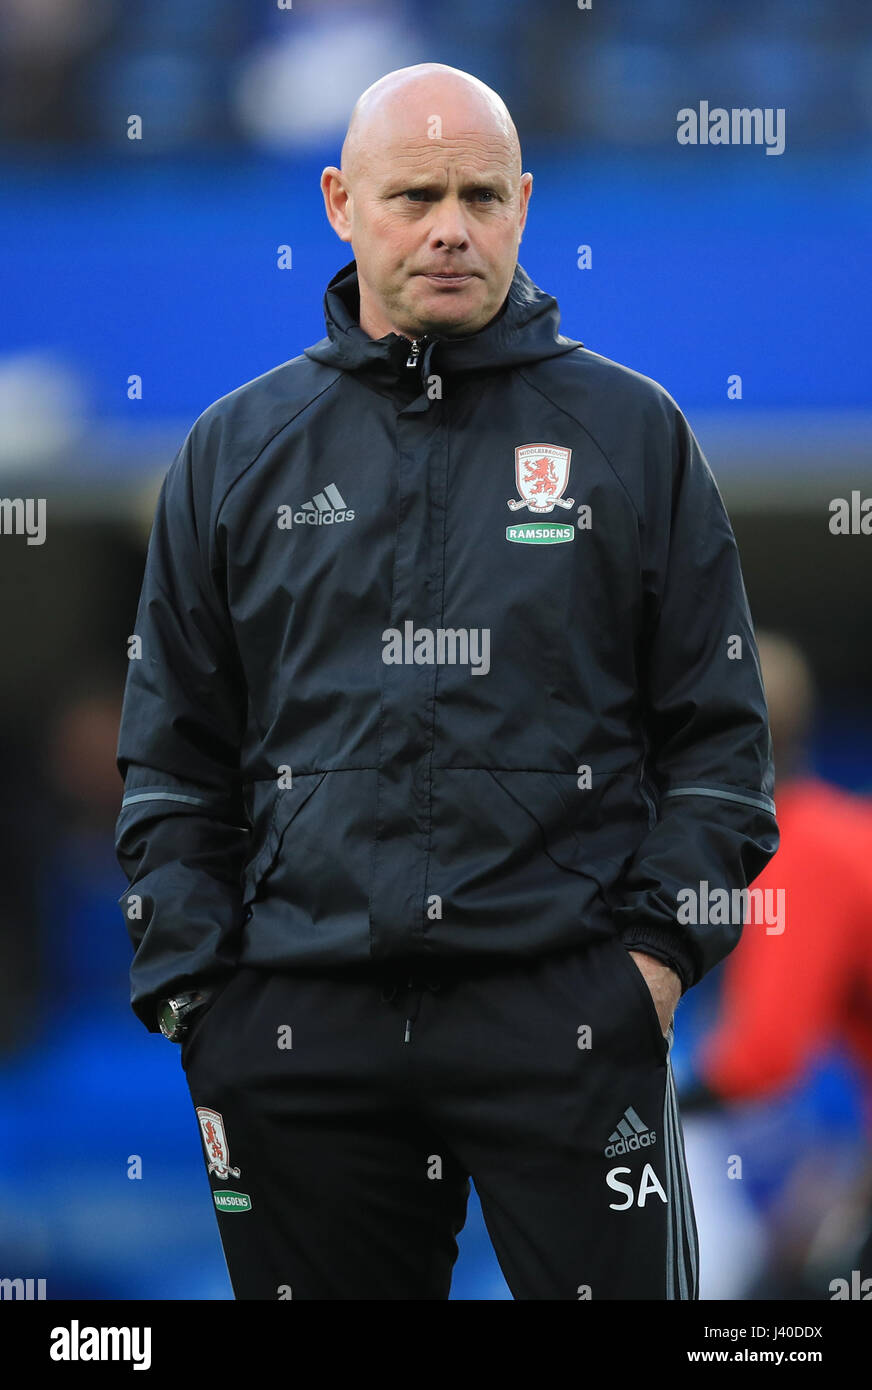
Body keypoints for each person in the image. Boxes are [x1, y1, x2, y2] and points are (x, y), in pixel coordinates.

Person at [114, 63, 778, 1300]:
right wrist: (201, 994)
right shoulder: (232, 450)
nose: (448, 227)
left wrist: (648, 969)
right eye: (413, 193)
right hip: (298, 1024)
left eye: (480, 194)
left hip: (567, 1012)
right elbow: (172, 753)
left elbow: (719, 752)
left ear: (524, 202)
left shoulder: (632, 436)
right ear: (337, 201)